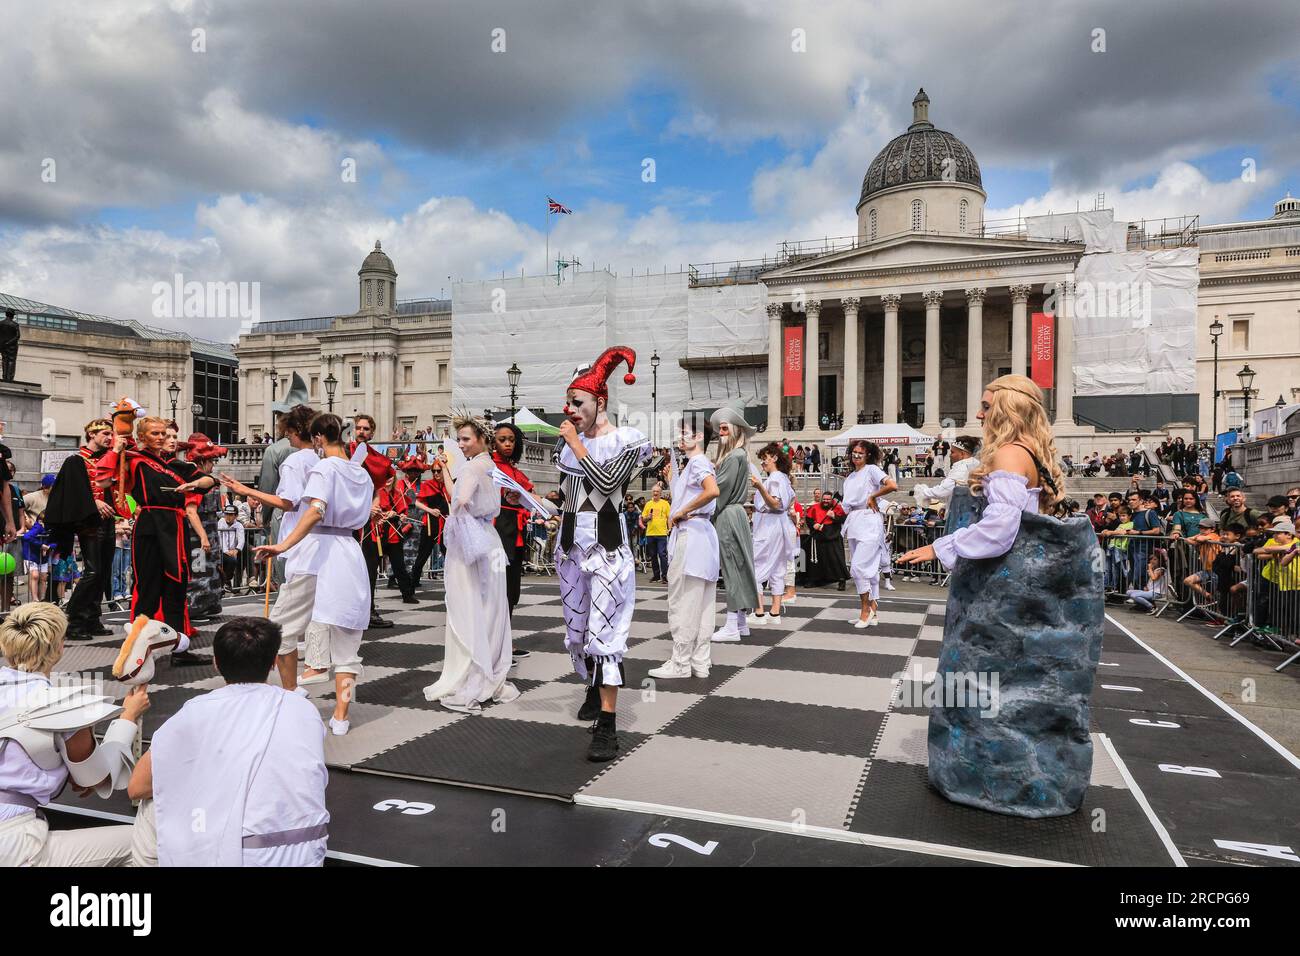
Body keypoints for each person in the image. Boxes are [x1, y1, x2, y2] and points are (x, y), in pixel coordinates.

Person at [899, 374, 1098, 819]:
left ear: (1007, 408)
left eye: (987, 405)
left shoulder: (1008, 453)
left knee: (972, 678)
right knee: (1012, 687)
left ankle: (975, 778)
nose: (979, 413)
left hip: (995, 595)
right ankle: (1021, 779)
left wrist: (941, 546)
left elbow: (1001, 529)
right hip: (1017, 598)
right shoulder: (1032, 454)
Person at [127, 617, 329, 866]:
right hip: (308, 854)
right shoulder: (304, 709)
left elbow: (137, 786)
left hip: (236, 855)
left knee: (152, 807)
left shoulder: (195, 712)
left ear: (216, 664)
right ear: (274, 663)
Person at [553, 347, 652, 761]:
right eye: (569, 403)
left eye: (578, 403)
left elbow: (609, 483)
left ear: (601, 402)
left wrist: (576, 444)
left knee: (605, 634)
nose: (570, 410)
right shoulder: (566, 448)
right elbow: (571, 495)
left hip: (608, 549)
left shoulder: (627, 441)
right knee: (578, 633)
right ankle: (593, 687)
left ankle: (608, 728)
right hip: (571, 548)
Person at [0, 603, 147, 866]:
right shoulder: (61, 705)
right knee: (146, 841)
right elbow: (97, 778)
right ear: (58, 647)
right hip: (13, 841)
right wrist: (127, 717)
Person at [253, 413, 372, 735]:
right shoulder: (361, 473)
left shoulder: (324, 467)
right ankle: (341, 716)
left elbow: (315, 509)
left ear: (318, 438)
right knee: (348, 642)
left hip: (317, 553)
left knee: (280, 628)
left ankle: (292, 694)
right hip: (349, 552)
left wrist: (282, 545)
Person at [422, 415, 520, 714]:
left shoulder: (472, 467)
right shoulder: (490, 465)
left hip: (471, 541)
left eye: (466, 439)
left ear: (481, 438)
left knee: (468, 608)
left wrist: (448, 474)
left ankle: (473, 674)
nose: (462, 444)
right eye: (460, 439)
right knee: (491, 607)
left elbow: (459, 501)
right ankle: (489, 670)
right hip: (489, 539)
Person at [98, 416, 214, 666]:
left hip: (175, 526)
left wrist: (194, 484)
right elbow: (103, 479)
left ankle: (180, 650)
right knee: (147, 590)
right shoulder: (132, 459)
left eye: (164, 433)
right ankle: (136, 650)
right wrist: (117, 449)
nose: (161, 438)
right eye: (155, 434)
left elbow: (208, 480)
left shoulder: (176, 464)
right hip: (149, 524)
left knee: (176, 590)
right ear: (141, 437)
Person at [220, 404, 319, 694]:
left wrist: (248, 491)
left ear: (295, 431)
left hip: (301, 548)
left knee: (280, 626)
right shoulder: (325, 459)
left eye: (287, 432)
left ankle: (291, 690)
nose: (285, 438)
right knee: (318, 618)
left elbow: (288, 501)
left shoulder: (294, 461)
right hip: (323, 547)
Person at [42, 419, 118, 640]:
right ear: (91, 434)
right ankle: (73, 619)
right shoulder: (76, 461)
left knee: (103, 571)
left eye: (110, 433)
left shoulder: (108, 459)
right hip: (88, 522)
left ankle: (92, 619)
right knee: (93, 571)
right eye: (105, 433)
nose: (109, 437)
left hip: (108, 520)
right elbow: (72, 492)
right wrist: (94, 502)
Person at [709, 400, 760, 642]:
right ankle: (740, 623)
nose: (720, 432)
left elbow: (719, 491)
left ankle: (732, 624)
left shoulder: (732, 457)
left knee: (731, 566)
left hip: (728, 513)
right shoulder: (741, 455)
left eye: (725, 428)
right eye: (720, 428)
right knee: (740, 565)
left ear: (736, 430)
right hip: (737, 512)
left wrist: (703, 513)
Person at [349, 413, 400, 628]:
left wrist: (376, 502)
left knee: (369, 567)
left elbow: (384, 480)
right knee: (347, 569)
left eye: (366, 429)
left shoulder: (377, 459)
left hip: (366, 523)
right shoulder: (344, 451)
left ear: (372, 432)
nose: (362, 432)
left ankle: (368, 611)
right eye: (359, 428)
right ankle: (349, 612)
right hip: (346, 520)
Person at [842, 440, 896, 626]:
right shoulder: (849, 477)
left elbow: (892, 485)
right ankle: (873, 611)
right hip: (855, 522)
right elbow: (846, 505)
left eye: (860, 453)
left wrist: (873, 496)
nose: (856, 455)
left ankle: (866, 610)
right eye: (854, 452)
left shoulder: (872, 470)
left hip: (869, 521)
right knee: (869, 571)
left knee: (857, 568)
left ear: (868, 455)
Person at [490, 422, 534, 614]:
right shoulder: (487, 466)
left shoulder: (514, 470)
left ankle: (504, 640)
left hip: (515, 535)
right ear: (493, 441)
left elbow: (529, 497)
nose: (508, 444)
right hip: (496, 535)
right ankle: (495, 641)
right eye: (502, 440)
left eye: (511, 440)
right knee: (497, 589)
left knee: (511, 589)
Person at [750, 442, 796, 617]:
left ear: (774, 458)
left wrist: (760, 488)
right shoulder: (784, 478)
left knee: (756, 565)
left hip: (769, 525)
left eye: (765, 459)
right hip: (780, 525)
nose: (762, 463)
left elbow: (776, 504)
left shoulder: (775, 478)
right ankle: (775, 612)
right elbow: (787, 502)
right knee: (778, 567)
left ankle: (759, 611)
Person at [808, 490, 850, 591]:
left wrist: (834, 516)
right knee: (819, 560)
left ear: (831, 499)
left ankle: (841, 581)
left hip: (833, 537)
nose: (826, 501)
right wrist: (814, 524)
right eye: (824, 499)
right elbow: (809, 518)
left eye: (828, 499)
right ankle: (816, 580)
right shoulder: (815, 507)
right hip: (820, 536)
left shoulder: (837, 508)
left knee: (837, 560)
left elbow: (844, 519)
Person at [641, 485, 671, 583]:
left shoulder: (665, 504)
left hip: (661, 533)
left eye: (657, 491)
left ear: (660, 493)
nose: (655, 493)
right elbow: (643, 518)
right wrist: (647, 518)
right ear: (652, 492)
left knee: (662, 555)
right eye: (654, 491)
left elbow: (669, 517)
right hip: (650, 533)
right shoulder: (648, 504)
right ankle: (656, 575)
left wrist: (669, 529)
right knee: (653, 556)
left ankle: (665, 576)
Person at [216, 505, 246, 592]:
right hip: (222, 550)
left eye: (231, 514)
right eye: (226, 514)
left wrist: (236, 550)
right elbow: (220, 538)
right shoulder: (221, 522)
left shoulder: (239, 525)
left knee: (233, 560)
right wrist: (225, 551)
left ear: (236, 516)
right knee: (227, 561)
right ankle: (226, 582)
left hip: (234, 550)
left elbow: (241, 540)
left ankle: (227, 581)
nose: (228, 516)